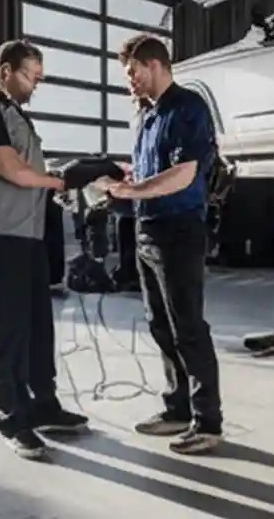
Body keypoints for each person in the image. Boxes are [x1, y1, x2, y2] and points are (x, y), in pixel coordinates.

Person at [0, 39, 91, 459]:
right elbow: (10, 169)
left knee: (37, 328)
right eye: (29, 76)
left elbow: (32, 173)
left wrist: (63, 181)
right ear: (5, 72)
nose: (35, 85)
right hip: (0, 239)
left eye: (37, 78)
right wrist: (58, 182)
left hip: (30, 238)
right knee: (9, 333)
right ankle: (12, 418)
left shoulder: (20, 119)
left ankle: (44, 406)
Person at [106, 33, 224, 456]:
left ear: (153, 65)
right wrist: (125, 179)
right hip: (147, 232)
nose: (130, 82)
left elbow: (184, 174)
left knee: (188, 327)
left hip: (179, 232)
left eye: (132, 73)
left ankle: (207, 421)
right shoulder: (147, 116)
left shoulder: (188, 108)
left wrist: (130, 194)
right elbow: (149, 172)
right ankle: (176, 408)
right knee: (161, 326)